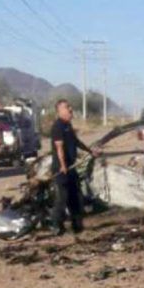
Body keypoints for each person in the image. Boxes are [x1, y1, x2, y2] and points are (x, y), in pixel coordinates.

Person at [50, 99, 93, 235]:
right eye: (67, 107)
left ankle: (77, 225)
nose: (70, 109)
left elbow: (76, 142)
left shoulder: (68, 125)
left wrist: (90, 151)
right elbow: (59, 148)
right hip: (61, 169)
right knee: (62, 199)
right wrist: (63, 165)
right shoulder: (57, 126)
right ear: (59, 111)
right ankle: (56, 225)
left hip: (72, 168)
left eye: (70, 106)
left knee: (75, 197)